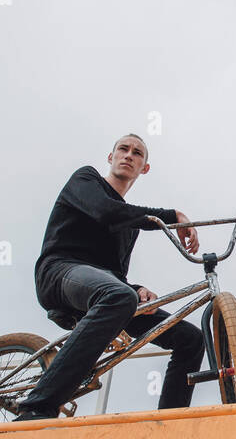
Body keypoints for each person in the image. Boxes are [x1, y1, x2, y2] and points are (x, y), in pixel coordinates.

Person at [14, 134, 205, 420]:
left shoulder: (130, 227)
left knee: (190, 337)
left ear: (145, 168)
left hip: (104, 289)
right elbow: (106, 212)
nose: (129, 155)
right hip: (59, 272)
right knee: (118, 295)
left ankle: (170, 422)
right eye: (123, 149)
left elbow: (113, 273)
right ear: (110, 157)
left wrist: (138, 289)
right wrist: (172, 215)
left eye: (137, 153)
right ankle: (36, 407)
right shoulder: (86, 180)